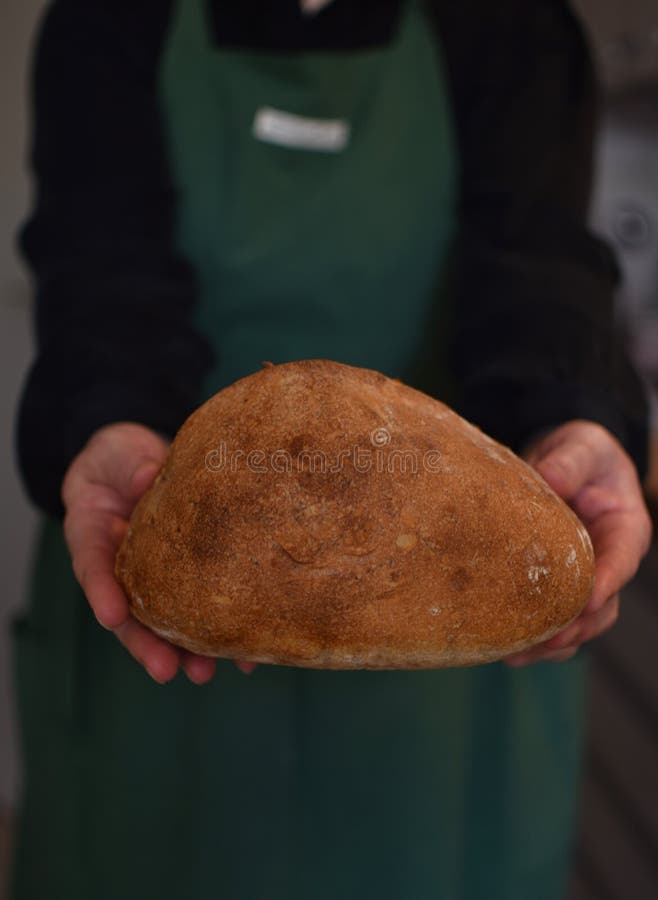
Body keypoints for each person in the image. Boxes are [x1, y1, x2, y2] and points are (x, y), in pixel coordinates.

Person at [10, 1, 652, 898]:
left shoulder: (514, 25)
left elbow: (540, 265)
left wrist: (572, 415)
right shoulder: (109, 19)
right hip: (157, 572)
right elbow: (100, 269)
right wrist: (111, 415)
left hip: (451, 635)